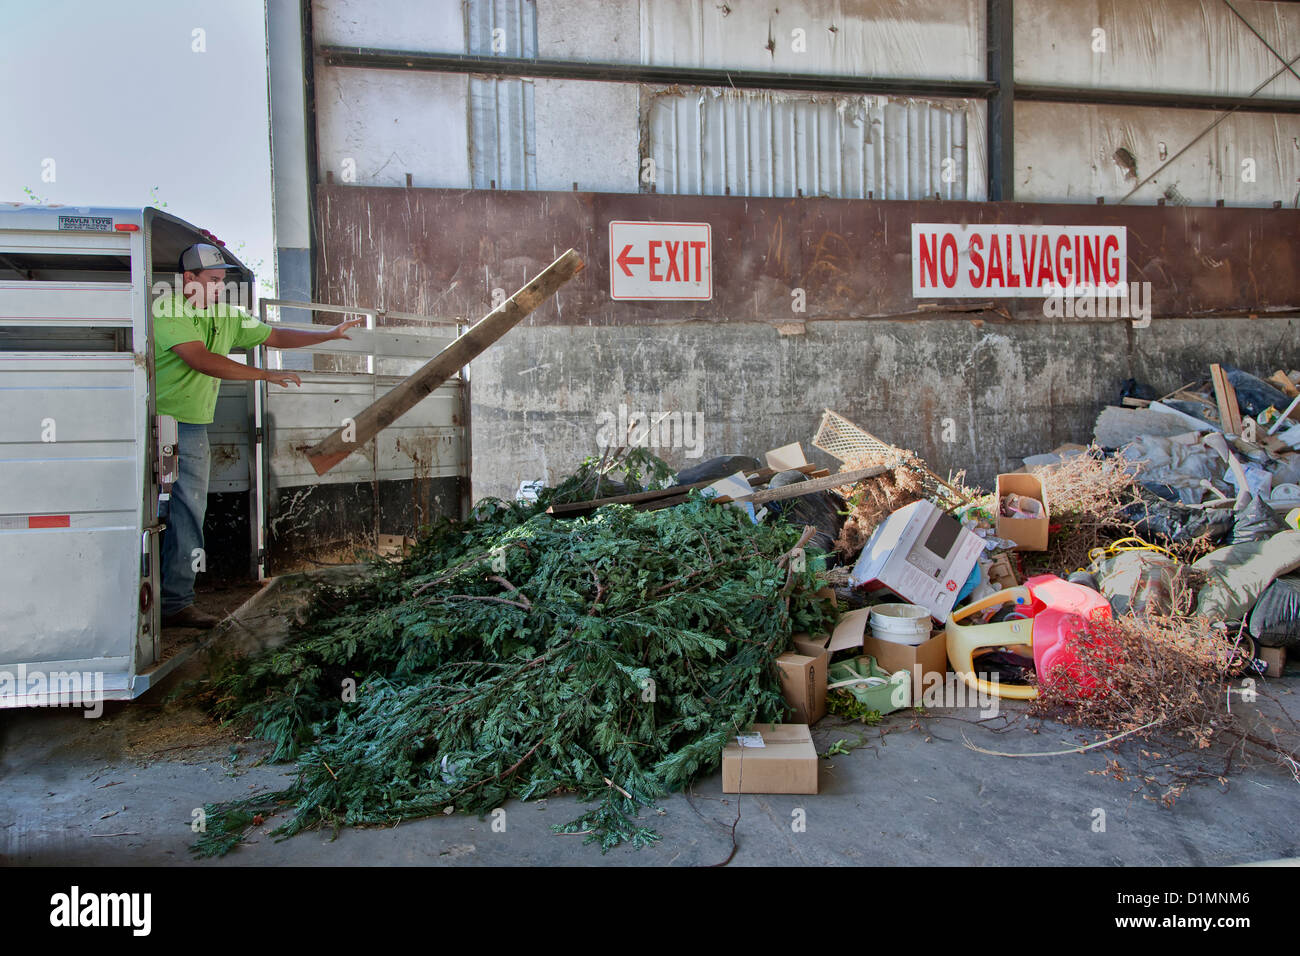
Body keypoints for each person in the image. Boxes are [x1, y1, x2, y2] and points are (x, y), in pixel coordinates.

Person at [153, 242, 363, 628]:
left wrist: (330, 333)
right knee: (148, 510)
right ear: (188, 279)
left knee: (188, 511)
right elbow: (201, 359)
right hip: (155, 423)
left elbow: (275, 336)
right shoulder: (167, 309)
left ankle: (174, 602)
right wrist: (265, 375)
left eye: (221, 281)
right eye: (212, 280)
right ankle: (137, 598)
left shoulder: (226, 315)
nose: (218, 287)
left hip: (193, 425)